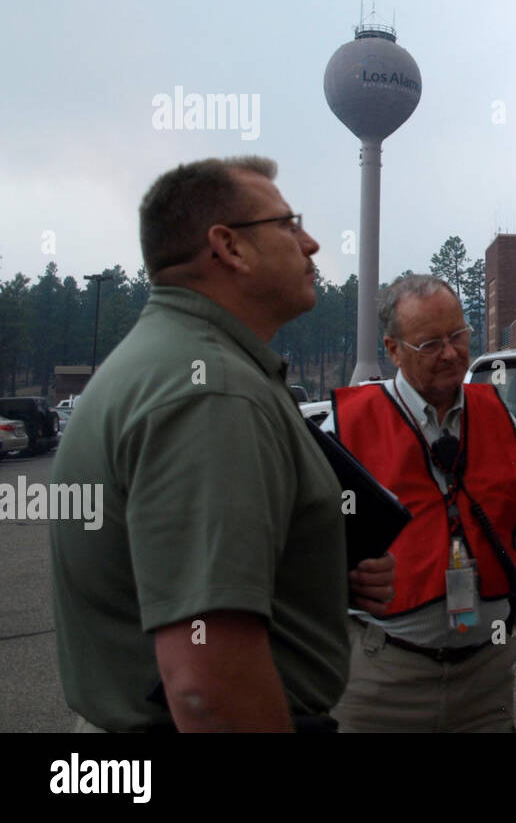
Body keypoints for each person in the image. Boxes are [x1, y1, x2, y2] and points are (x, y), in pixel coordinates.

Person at [50, 156, 394, 733]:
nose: (310, 243)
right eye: (288, 224)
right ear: (229, 248)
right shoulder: (210, 390)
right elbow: (207, 685)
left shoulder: (177, 362)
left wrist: (314, 578)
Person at [327, 275, 516, 732]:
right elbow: (297, 549)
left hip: (486, 680)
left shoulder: (502, 418)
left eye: (458, 335)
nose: (451, 353)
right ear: (393, 350)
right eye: (431, 344)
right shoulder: (346, 429)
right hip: (380, 680)